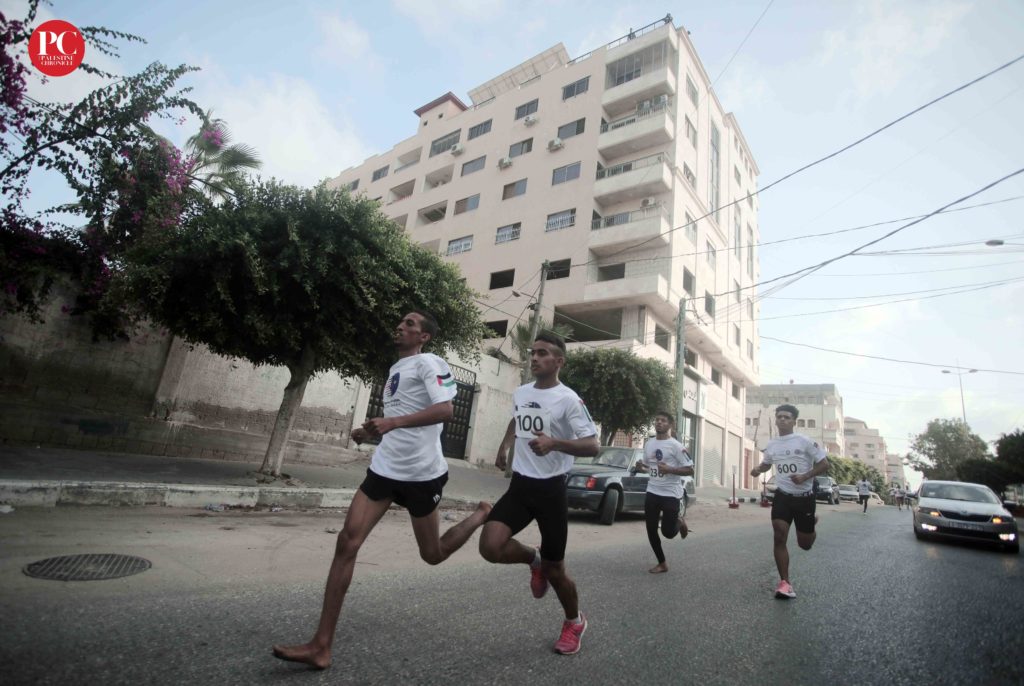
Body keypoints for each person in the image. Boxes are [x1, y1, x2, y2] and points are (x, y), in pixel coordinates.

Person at [272, 311, 492, 670]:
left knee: (432, 554)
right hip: (386, 467)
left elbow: (446, 410)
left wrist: (392, 422)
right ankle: (321, 646)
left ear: (424, 337)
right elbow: (400, 421)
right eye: (401, 322)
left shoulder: (429, 362)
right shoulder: (395, 370)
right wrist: (371, 432)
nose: (401, 327)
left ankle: (481, 514)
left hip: (422, 473)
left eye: (410, 324)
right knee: (347, 542)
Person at [479, 333, 599, 655]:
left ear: (558, 361)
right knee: (490, 546)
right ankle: (533, 560)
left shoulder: (569, 400)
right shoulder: (522, 391)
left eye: (542, 353)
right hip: (521, 485)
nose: (534, 358)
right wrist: (505, 444)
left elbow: (592, 444)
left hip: (551, 490)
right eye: (532, 353)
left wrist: (555, 443)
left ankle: (574, 621)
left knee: (556, 569)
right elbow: (518, 418)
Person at [749, 404, 829, 600]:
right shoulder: (773, 444)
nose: (782, 420)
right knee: (779, 535)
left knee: (805, 544)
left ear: (794, 421)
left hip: (804, 498)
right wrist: (758, 469)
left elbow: (824, 464)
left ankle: (811, 525)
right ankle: (785, 582)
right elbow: (768, 462)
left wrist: (805, 476)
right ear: (776, 420)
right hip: (783, 496)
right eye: (780, 417)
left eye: (787, 417)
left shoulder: (804, 441)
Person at [633, 411, 694, 574]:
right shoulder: (649, 444)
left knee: (667, 532)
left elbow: (690, 470)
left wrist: (670, 469)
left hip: (670, 494)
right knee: (651, 529)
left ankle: (679, 523)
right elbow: (650, 467)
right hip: (652, 491)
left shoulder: (676, 446)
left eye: (663, 420)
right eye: (657, 420)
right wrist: (641, 467)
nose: (659, 422)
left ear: (670, 425)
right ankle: (662, 563)